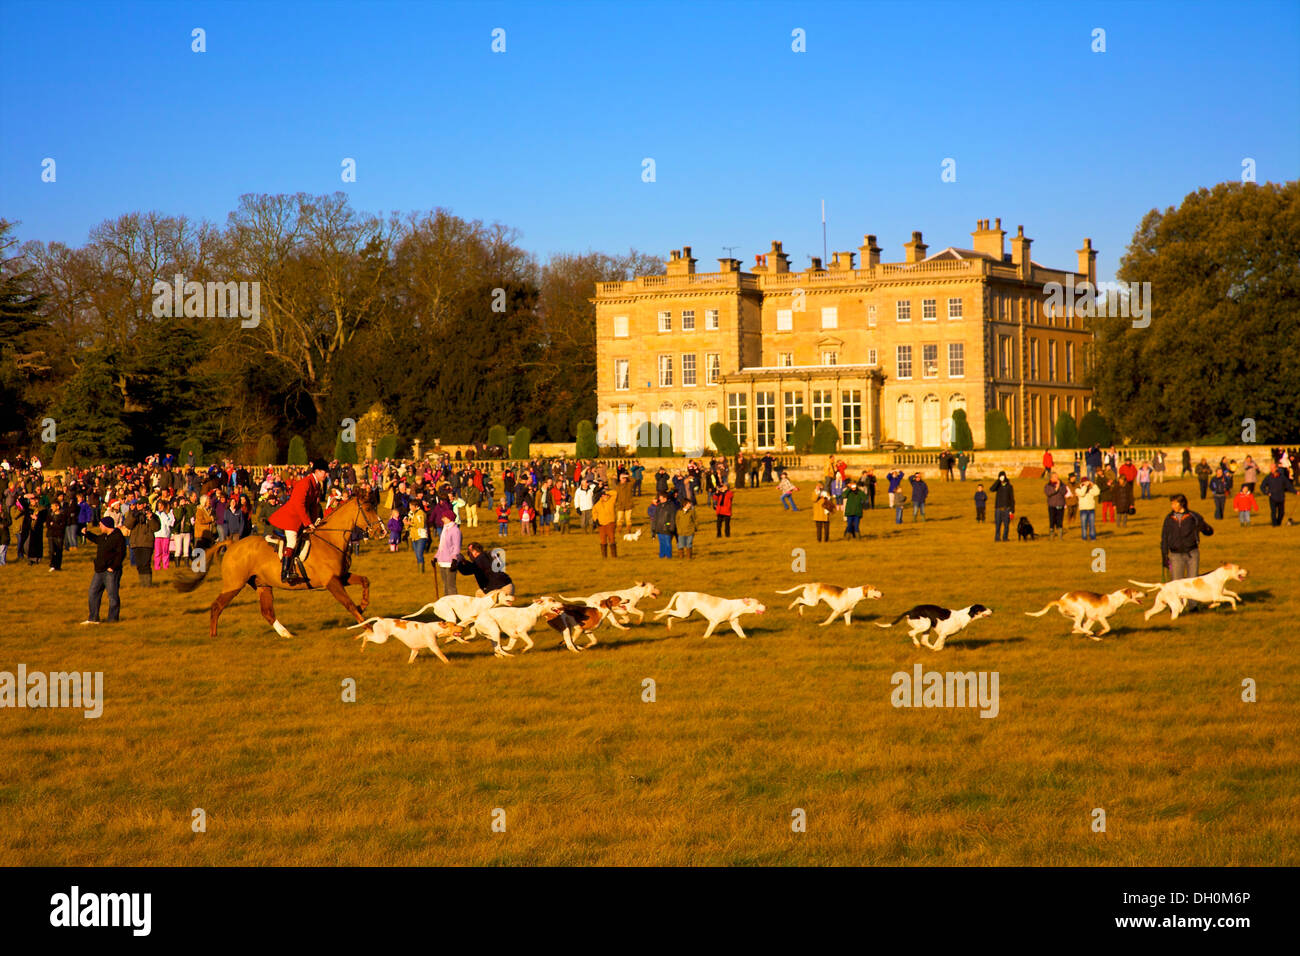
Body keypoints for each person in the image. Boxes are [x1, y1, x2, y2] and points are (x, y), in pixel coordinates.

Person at [270, 458, 328, 584]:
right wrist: (308, 523)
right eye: (324, 472)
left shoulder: (316, 485)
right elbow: (299, 505)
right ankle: (285, 573)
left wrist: (314, 522)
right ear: (317, 471)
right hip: (291, 518)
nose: (326, 474)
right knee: (292, 541)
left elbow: (313, 506)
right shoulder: (305, 483)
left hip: (301, 518)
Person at [1160, 494, 1214, 606]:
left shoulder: (1193, 516)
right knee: (1176, 583)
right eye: (1172, 503)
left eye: (1175, 503)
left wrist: (1206, 530)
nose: (1173, 505)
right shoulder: (1169, 519)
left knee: (1193, 582)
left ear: (1182, 503)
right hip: (1175, 555)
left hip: (1192, 553)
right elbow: (1164, 537)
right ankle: (1175, 607)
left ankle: (1193, 606)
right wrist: (1164, 555)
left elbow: (1207, 529)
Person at [82, 515, 126, 624]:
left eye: (101, 525)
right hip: (99, 570)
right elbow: (96, 539)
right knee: (93, 592)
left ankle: (112, 619)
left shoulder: (118, 537)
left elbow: (121, 554)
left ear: (107, 526)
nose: (100, 527)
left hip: (111, 571)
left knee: (112, 596)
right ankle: (93, 618)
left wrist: (113, 567)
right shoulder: (103, 536)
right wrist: (86, 533)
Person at [125, 499, 159, 585]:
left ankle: (147, 583)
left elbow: (156, 528)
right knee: (139, 565)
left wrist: (150, 518)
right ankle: (143, 583)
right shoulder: (133, 514)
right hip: (136, 543)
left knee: (145, 564)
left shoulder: (153, 515)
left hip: (147, 543)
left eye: (141, 504)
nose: (140, 506)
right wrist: (134, 515)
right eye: (138, 504)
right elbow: (128, 525)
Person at [435, 513, 460, 595]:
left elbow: (456, 546)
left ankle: (454, 604)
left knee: (451, 585)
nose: (442, 519)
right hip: (442, 561)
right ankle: (446, 604)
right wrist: (436, 557)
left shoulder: (455, 530)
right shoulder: (445, 529)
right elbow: (441, 545)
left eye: (444, 518)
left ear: (450, 518)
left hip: (450, 562)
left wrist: (454, 559)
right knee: (445, 585)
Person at [593, 482, 617, 558]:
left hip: (610, 523)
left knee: (612, 538)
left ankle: (614, 555)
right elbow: (594, 512)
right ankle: (604, 556)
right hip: (601, 524)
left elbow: (615, 493)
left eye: (606, 495)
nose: (605, 496)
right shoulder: (598, 504)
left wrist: (606, 491)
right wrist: (595, 519)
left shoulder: (611, 501)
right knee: (603, 540)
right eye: (603, 495)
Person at [651, 493, 676, 559]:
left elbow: (672, 518)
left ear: (665, 498)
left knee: (667, 543)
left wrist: (670, 526)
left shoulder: (671, 506)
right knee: (661, 543)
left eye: (661, 498)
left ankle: (668, 556)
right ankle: (662, 556)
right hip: (659, 528)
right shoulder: (658, 507)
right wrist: (653, 529)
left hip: (667, 528)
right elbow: (655, 518)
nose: (659, 499)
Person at [992, 472, 1015, 542]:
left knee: (1006, 525)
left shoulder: (1009, 486)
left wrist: (1012, 510)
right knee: (998, 525)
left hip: (1006, 508)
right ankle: (997, 538)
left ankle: (1005, 537)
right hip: (998, 508)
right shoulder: (998, 486)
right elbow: (992, 489)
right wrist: (998, 481)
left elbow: (1012, 499)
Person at [1044, 472, 1066, 540]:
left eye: (1057, 476)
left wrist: (1059, 486)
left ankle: (1060, 535)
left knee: (1060, 520)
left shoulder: (1062, 485)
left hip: (1060, 504)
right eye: (1055, 477)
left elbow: (1064, 492)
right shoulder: (1048, 485)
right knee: (1052, 520)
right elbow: (1049, 493)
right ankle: (1051, 535)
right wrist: (1056, 488)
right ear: (1051, 478)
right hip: (1052, 505)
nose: (1057, 478)